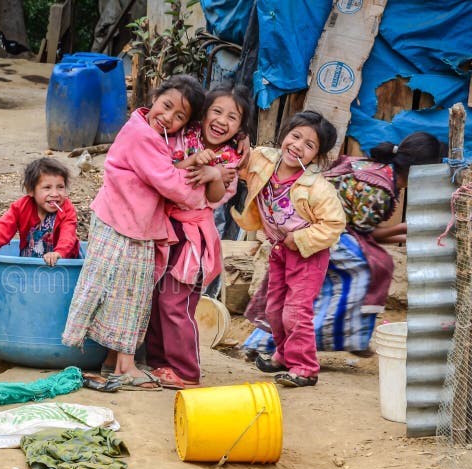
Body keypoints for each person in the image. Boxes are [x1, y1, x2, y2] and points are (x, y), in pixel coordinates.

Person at [62, 75, 216, 390]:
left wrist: (188, 161)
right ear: (154, 97)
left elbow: (166, 169)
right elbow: (172, 185)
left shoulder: (145, 130)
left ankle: (112, 362)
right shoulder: (143, 136)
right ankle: (125, 366)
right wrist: (208, 186)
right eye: (166, 106)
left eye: (179, 117)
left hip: (126, 222)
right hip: (126, 225)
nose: (168, 117)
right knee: (131, 296)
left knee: (120, 293)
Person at [243, 131, 444, 357]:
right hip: (313, 234)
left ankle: (263, 343)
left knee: (369, 266)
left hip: (307, 228)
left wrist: (407, 234)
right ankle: (344, 337)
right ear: (420, 172)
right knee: (364, 270)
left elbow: (364, 233)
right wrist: (407, 229)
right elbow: (364, 234)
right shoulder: (380, 191)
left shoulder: (377, 169)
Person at [145, 83, 255, 389]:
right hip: (167, 227)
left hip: (192, 234)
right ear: (202, 114)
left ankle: (185, 371)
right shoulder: (184, 134)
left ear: (240, 128)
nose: (222, 121)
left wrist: (215, 175)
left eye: (233, 118)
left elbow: (217, 199)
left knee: (175, 300)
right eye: (216, 112)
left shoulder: (230, 158)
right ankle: (156, 361)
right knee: (158, 296)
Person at [232, 110, 345, 387]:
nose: (298, 146)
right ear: (284, 135)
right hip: (280, 250)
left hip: (308, 256)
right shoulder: (264, 160)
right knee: (274, 309)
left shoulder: (317, 187)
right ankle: (283, 354)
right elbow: (241, 159)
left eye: (309, 145)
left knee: (295, 312)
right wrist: (242, 139)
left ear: (316, 157)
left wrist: (301, 239)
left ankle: (305, 367)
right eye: (295, 136)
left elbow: (335, 223)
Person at [0, 157, 80, 266]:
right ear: (30, 190)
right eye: (47, 187)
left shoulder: (66, 208)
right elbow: (4, 226)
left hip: (62, 264)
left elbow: (68, 234)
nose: (55, 193)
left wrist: (59, 253)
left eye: (60, 187)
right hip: (29, 263)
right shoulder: (21, 207)